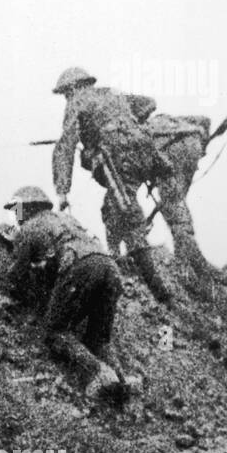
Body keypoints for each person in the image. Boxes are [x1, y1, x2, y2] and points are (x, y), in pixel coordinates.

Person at [50, 66, 174, 304]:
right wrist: (123, 123)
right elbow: (148, 103)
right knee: (112, 208)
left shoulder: (77, 101)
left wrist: (63, 190)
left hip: (120, 159)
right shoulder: (112, 93)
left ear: (74, 87)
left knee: (127, 215)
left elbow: (65, 145)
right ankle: (117, 256)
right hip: (147, 153)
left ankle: (160, 291)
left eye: (66, 93)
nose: (67, 97)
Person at [1, 185, 124, 400]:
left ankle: (98, 373)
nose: (15, 215)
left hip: (81, 267)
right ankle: (121, 382)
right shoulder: (65, 220)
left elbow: (17, 274)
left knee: (55, 331)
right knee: (99, 338)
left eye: (17, 209)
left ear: (28, 208)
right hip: (109, 267)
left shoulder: (29, 228)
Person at [144, 112, 216, 279]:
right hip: (193, 143)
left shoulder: (137, 134)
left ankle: (189, 266)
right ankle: (186, 260)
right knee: (177, 203)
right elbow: (206, 119)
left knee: (175, 208)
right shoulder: (168, 121)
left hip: (169, 150)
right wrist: (199, 147)